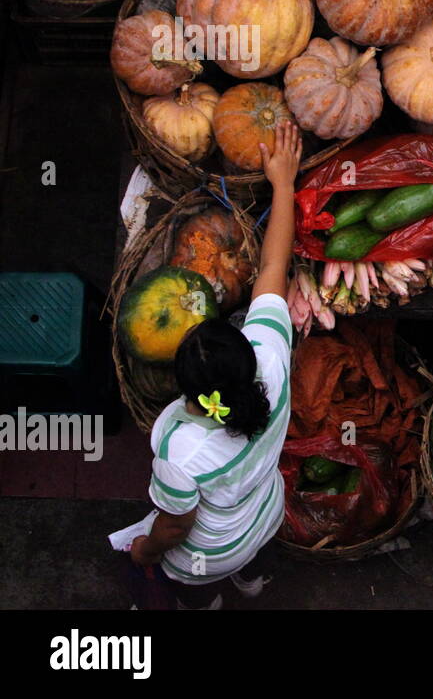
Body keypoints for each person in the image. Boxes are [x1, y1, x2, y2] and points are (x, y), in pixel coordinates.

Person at [129, 121, 302, 609]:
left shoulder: (179, 448)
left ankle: (205, 604)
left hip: (207, 553)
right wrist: (283, 185)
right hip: (265, 514)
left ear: (182, 388)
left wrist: (145, 550)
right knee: (252, 556)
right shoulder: (271, 360)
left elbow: (174, 526)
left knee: (193, 588)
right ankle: (251, 583)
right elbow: (274, 267)